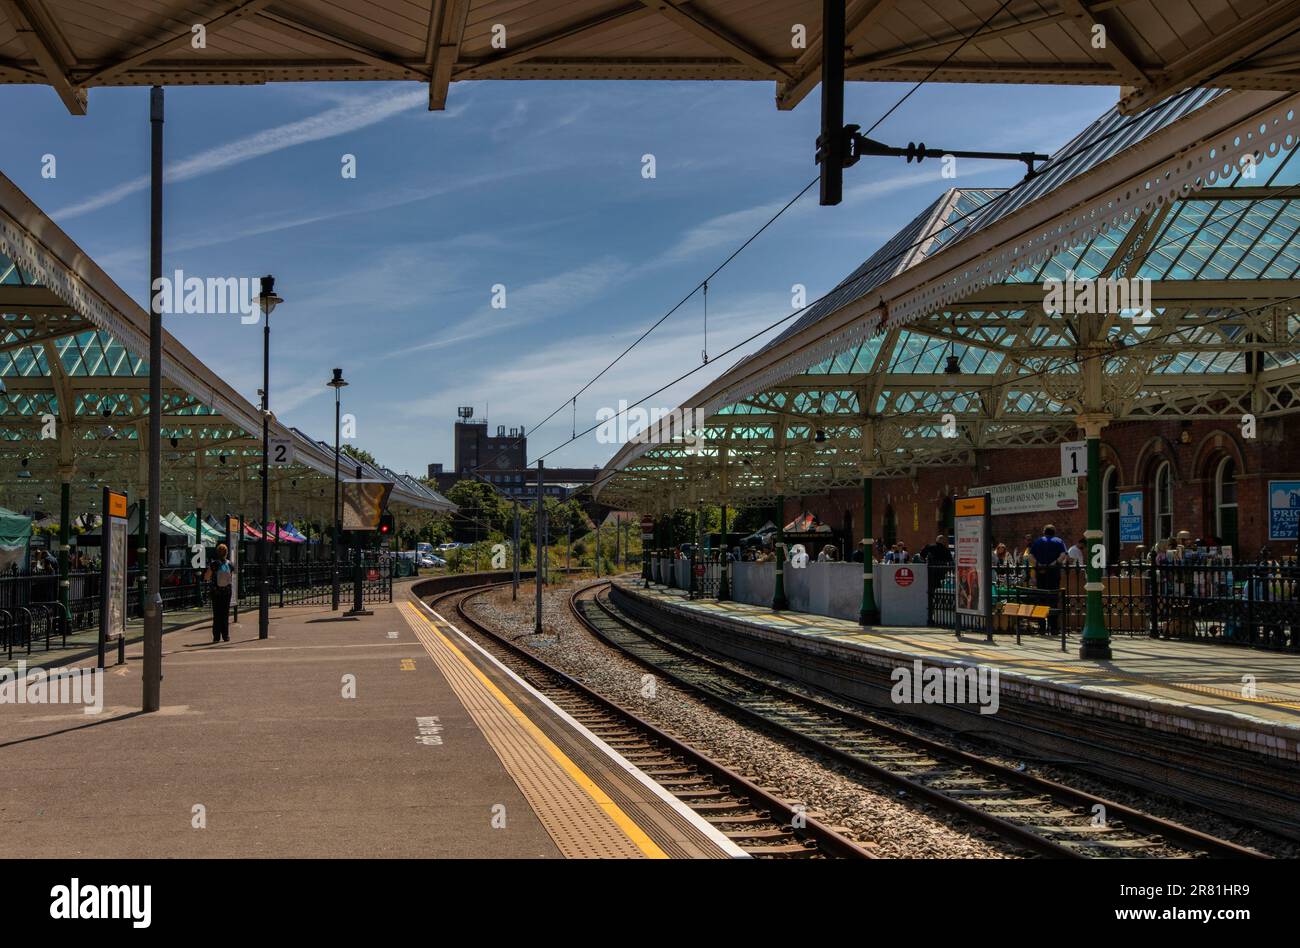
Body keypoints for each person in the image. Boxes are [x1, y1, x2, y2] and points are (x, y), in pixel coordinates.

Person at [204, 543, 234, 643]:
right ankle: (226, 636)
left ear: (217, 552)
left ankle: (216, 637)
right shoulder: (229, 564)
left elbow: (207, 577)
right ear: (226, 553)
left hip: (216, 592)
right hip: (227, 592)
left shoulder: (214, 564)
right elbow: (231, 577)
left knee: (217, 614)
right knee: (225, 614)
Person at [1029, 524, 1068, 591]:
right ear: (1054, 532)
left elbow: (1030, 557)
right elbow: (1063, 555)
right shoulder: (1059, 541)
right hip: (1054, 571)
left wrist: (1039, 564)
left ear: (1044, 532)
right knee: (1054, 592)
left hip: (1041, 571)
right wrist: (1054, 563)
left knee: (1041, 592)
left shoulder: (1038, 541)